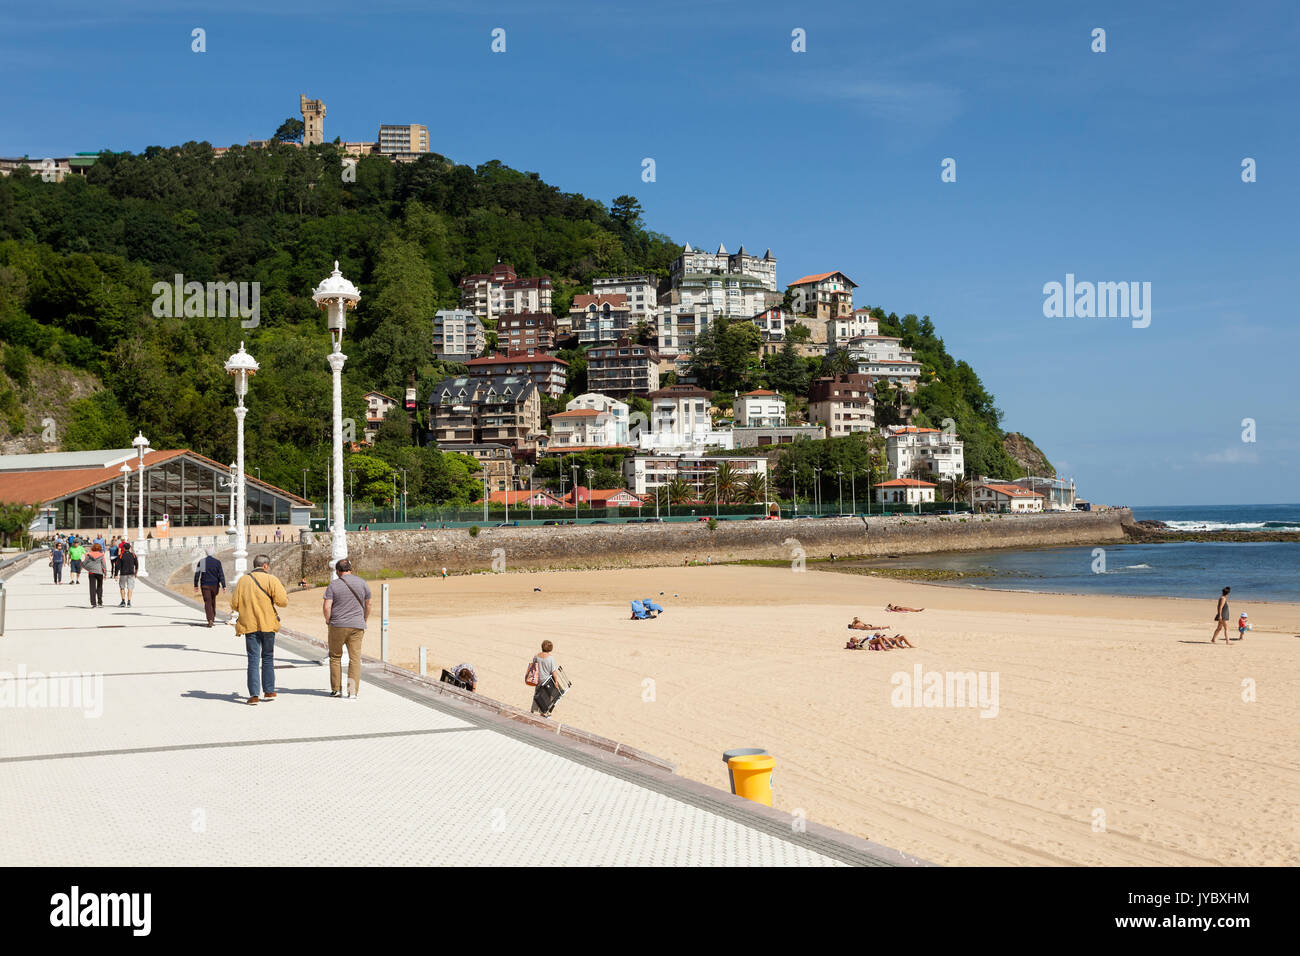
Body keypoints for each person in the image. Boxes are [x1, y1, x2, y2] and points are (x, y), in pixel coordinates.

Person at [229, 553, 289, 706]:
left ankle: (254, 695)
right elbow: (282, 602)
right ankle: (269, 690)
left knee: (253, 659)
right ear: (265, 566)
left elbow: (234, 603)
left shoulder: (243, 580)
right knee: (268, 657)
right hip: (268, 624)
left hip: (249, 625)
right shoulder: (271, 579)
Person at [322, 559, 372, 699]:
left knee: (335, 657)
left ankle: (336, 689)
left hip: (337, 625)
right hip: (357, 625)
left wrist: (328, 620)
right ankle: (352, 691)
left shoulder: (334, 585)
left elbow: (327, 607)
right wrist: (364, 619)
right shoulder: (362, 583)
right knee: (355, 659)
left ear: (338, 571)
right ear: (350, 569)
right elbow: (369, 604)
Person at [193, 547, 227, 627]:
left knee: (207, 602)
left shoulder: (202, 562)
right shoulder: (217, 562)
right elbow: (221, 574)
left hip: (205, 585)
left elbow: (197, 574)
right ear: (213, 552)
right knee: (213, 600)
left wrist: (195, 585)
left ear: (206, 553)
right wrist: (223, 585)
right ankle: (212, 618)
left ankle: (210, 619)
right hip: (214, 585)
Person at [529, 640, 560, 717]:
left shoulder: (536, 656)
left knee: (537, 695)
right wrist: (556, 681)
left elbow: (533, 667)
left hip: (538, 679)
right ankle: (544, 712)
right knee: (547, 696)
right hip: (546, 680)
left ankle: (533, 710)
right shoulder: (550, 658)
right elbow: (553, 671)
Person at [82, 541, 108, 608]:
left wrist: (88, 568)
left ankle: (93, 603)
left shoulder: (89, 555)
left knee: (92, 588)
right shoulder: (101, 555)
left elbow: (84, 564)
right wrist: (105, 573)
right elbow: (104, 565)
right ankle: (100, 602)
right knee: (99, 587)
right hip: (99, 572)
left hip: (91, 573)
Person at [116, 542, 138, 607]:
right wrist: (136, 573)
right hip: (131, 573)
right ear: (129, 548)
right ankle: (129, 602)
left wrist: (116, 574)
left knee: (122, 587)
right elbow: (137, 565)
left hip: (123, 573)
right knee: (130, 588)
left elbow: (118, 566)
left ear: (124, 548)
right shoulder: (133, 555)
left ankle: (123, 601)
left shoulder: (121, 555)